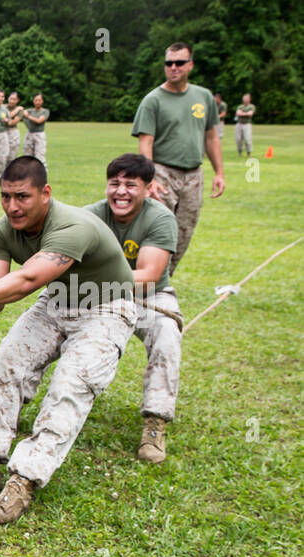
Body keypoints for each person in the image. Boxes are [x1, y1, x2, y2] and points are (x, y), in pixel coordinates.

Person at [0, 156, 137, 525]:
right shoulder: (0, 233)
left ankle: (24, 481)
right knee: (7, 362)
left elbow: (28, 281)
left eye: (23, 197)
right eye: (5, 196)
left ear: (45, 193)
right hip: (58, 300)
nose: (12, 206)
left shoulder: (71, 225)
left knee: (71, 384)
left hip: (107, 306)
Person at [85, 153, 184, 463]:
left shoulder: (160, 218)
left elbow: (148, 277)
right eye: (114, 184)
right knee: (50, 318)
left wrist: (94, 280)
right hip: (99, 295)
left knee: (167, 331)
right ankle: (18, 402)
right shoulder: (90, 216)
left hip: (149, 296)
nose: (121, 192)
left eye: (130, 184)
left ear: (148, 188)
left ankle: (155, 423)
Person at [130, 41, 225, 273]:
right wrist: (149, 178)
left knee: (184, 230)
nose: (173, 67)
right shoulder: (153, 100)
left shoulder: (203, 96)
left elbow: (211, 137)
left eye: (179, 63)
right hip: (162, 172)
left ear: (190, 65)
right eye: (169, 63)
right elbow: (146, 142)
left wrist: (219, 172)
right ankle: (144, 277)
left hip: (194, 174)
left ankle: (163, 279)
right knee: (158, 226)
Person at [22, 92, 49, 164]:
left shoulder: (45, 111)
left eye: (39, 100)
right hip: (29, 133)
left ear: (42, 101)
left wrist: (28, 117)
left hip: (39, 134)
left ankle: (42, 173)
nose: (37, 102)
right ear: (33, 101)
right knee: (27, 156)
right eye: (36, 100)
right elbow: (21, 112)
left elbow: (39, 121)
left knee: (39, 156)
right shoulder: (29, 111)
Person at [3, 91, 24, 163]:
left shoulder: (21, 111)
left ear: (18, 100)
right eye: (10, 98)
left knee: (11, 156)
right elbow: (3, 117)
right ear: (8, 98)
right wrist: (16, 110)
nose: (12, 101)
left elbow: (12, 123)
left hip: (13, 133)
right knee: (2, 155)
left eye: (14, 99)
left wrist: (7, 120)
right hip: (2, 132)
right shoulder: (2, 107)